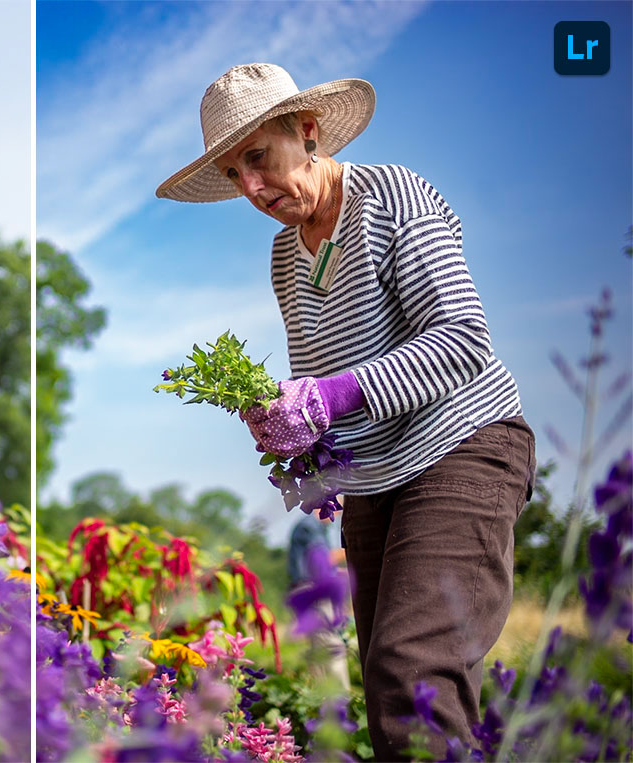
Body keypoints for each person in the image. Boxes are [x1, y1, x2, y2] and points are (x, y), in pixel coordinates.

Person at [156, 63, 536, 760]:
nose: (251, 189)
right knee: (387, 685)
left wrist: (329, 396)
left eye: (258, 160)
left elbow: (462, 339)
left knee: (412, 668)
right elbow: (322, 387)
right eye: (235, 173)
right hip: (378, 477)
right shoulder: (284, 257)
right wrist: (293, 426)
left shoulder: (392, 195)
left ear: (306, 132)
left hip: (465, 446)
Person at [287, 512, 350, 690]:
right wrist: (353, 548)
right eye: (336, 509)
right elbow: (323, 559)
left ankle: (323, 700)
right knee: (331, 645)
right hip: (314, 593)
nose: (336, 517)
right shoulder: (310, 526)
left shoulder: (314, 527)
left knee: (319, 648)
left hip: (308, 592)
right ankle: (340, 699)